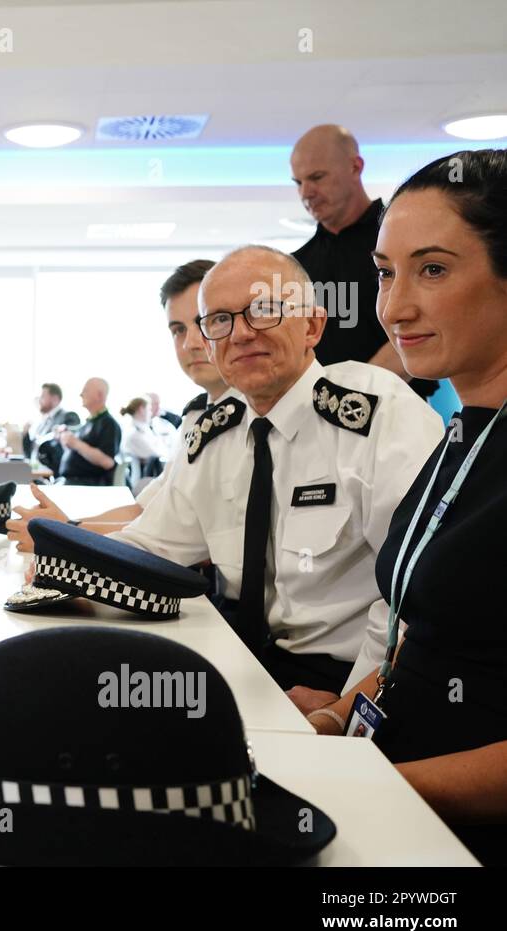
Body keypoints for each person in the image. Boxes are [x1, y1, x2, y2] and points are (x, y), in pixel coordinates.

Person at [104, 245, 444, 693]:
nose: (241, 334)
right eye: (220, 320)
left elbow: (414, 595)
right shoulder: (214, 436)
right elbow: (151, 547)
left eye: (263, 310)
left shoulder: (379, 414)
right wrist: (55, 563)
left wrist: (347, 710)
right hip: (241, 662)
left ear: (313, 325)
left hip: (350, 675)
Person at [303, 150, 507, 863]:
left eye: (434, 269)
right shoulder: (462, 435)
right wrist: (333, 721)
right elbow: (415, 641)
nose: (393, 308)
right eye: (386, 274)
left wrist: (372, 786)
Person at [8, 260, 224, 543]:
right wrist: (65, 526)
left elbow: (181, 537)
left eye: (206, 322)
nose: (190, 343)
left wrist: (65, 532)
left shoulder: (250, 417)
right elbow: (145, 509)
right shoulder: (197, 418)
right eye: (178, 330)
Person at [290, 124, 436, 398]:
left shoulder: (406, 237)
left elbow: (423, 322)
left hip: (399, 410)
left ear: (355, 167)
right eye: (298, 182)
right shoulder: (297, 264)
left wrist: (351, 395)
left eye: (317, 177)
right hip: (317, 416)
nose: (305, 192)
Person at [55, 377, 120, 485]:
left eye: (85, 391)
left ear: (100, 395)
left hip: (88, 484)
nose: (81, 394)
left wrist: (75, 443)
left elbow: (107, 462)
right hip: (72, 481)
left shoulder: (108, 423)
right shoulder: (90, 422)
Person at [23, 382, 80, 466]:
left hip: (54, 472)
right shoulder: (41, 423)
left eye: (43, 396)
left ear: (55, 399)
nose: (39, 400)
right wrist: (26, 434)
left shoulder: (69, 417)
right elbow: (31, 452)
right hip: (36, 470)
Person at [119, 396, 168, 488]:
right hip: (139, 483)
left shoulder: (143, 430)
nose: (150, 413)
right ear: (141, 409)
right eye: (149, 409)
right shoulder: (134, 434)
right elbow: (158, 454)